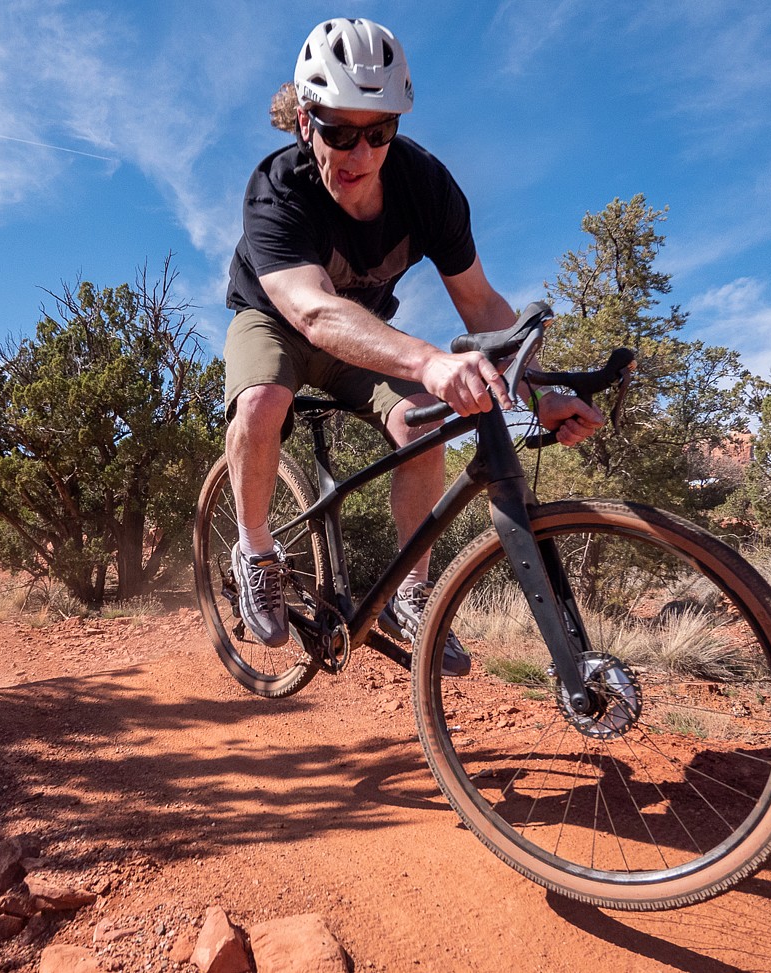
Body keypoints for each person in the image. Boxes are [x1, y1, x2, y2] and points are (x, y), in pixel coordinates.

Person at [224, 17, 605, 675]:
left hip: (362, 338)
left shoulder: (426, 186)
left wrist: (538, 392)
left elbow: (481, 304)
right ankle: (256, 552)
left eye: (378, 133)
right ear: (306, 123)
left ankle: (411, 594)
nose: (360, 154)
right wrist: (429, 361)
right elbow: (312, 311)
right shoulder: (277, 189)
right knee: (260, 401)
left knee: (423, 422)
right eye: (340, 133)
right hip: (278, 320)